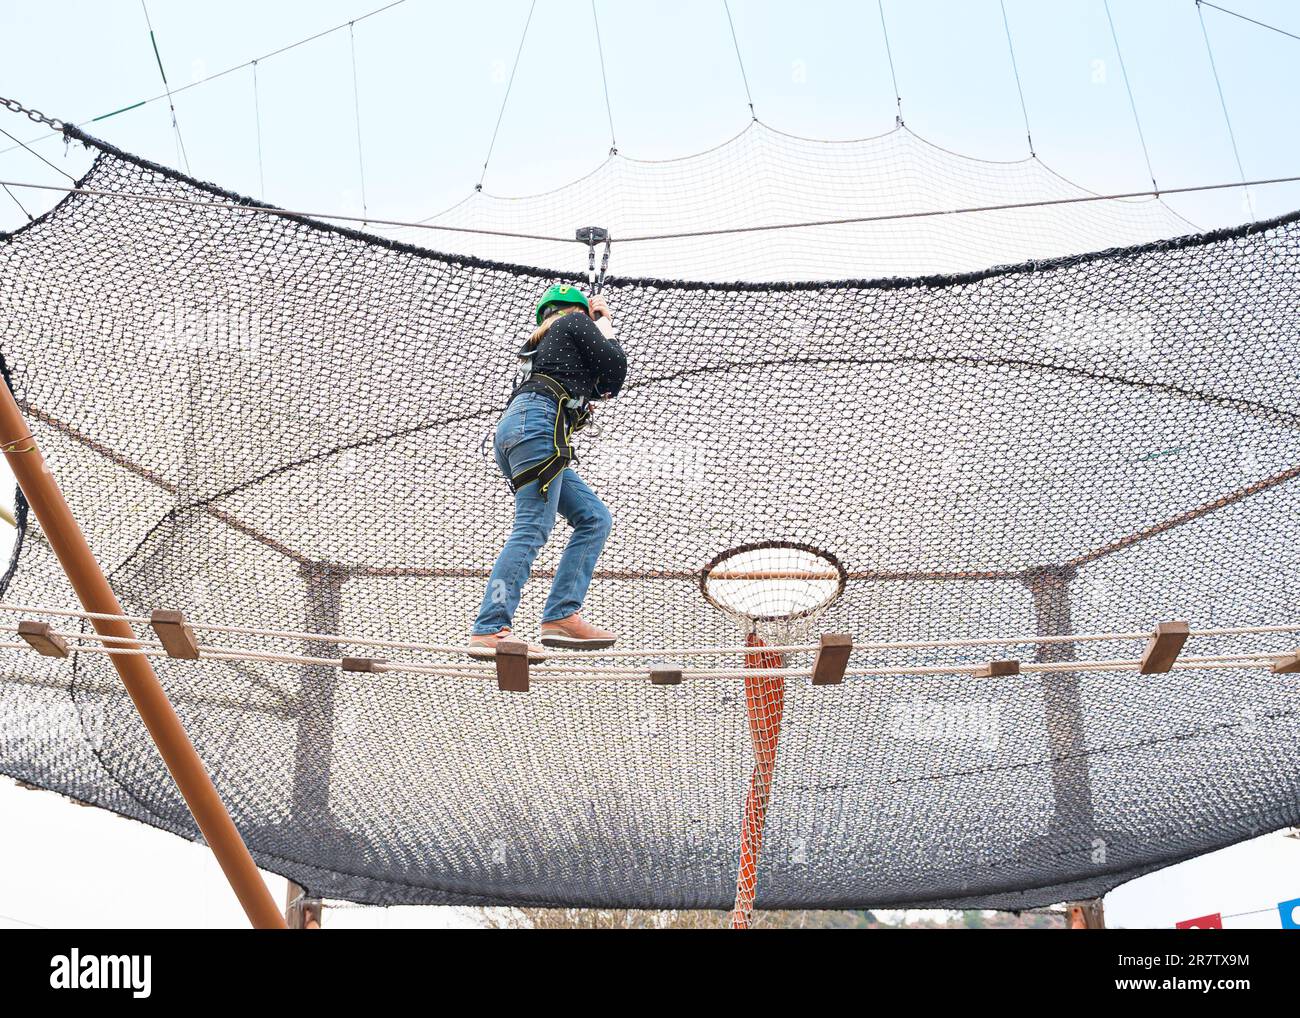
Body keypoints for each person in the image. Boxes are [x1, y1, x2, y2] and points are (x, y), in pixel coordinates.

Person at [470, 283, 627, 657]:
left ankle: (562, 615)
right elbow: (615, 371)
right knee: (532, 528)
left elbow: (602, 386)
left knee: (594, 518)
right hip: (538, 430)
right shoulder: (575, 322)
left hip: (521, 433)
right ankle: (490, 626)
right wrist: (603, 319)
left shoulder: (541, 346)